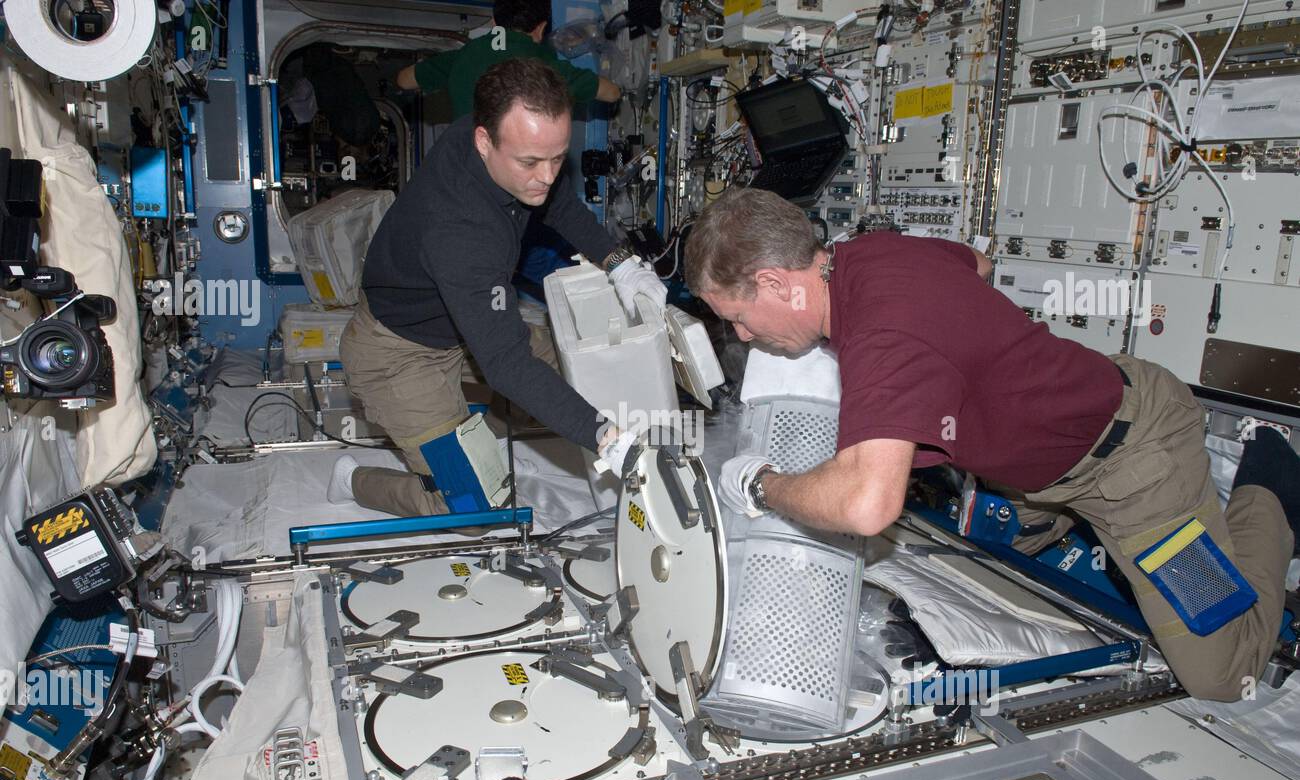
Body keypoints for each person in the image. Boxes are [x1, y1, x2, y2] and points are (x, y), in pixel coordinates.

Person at [685, 187, 1300, 703]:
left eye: (739, 317)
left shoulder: (881, 339)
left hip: (1134, 463)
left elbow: (866, 505)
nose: (744, 336)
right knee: (986, 550)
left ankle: (1271, 482)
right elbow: (972, 264)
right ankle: (1047, 514)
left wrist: (763, 486)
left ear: (774, 280)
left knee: (1222, 674)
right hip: (1043, 457)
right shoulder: (864, 255)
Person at [330, 59, 665, 517]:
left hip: (463, 326)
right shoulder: (460, 230)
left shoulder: (504, 133)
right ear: (483, 141)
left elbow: (560, 205)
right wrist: (603, 435)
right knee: (474, 508)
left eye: (556, 157)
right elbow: (507, 364)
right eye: (530, 162)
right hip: (399, 354)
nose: (546, 176)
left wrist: (620, 262)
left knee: (593, 371)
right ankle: (353, 480)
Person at [396, 0, 621, 118]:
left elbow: (404, 79)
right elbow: (612, 93)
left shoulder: (464, 55)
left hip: (464, 176)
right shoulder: (545, 67)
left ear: (494, 21)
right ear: (541, 29)